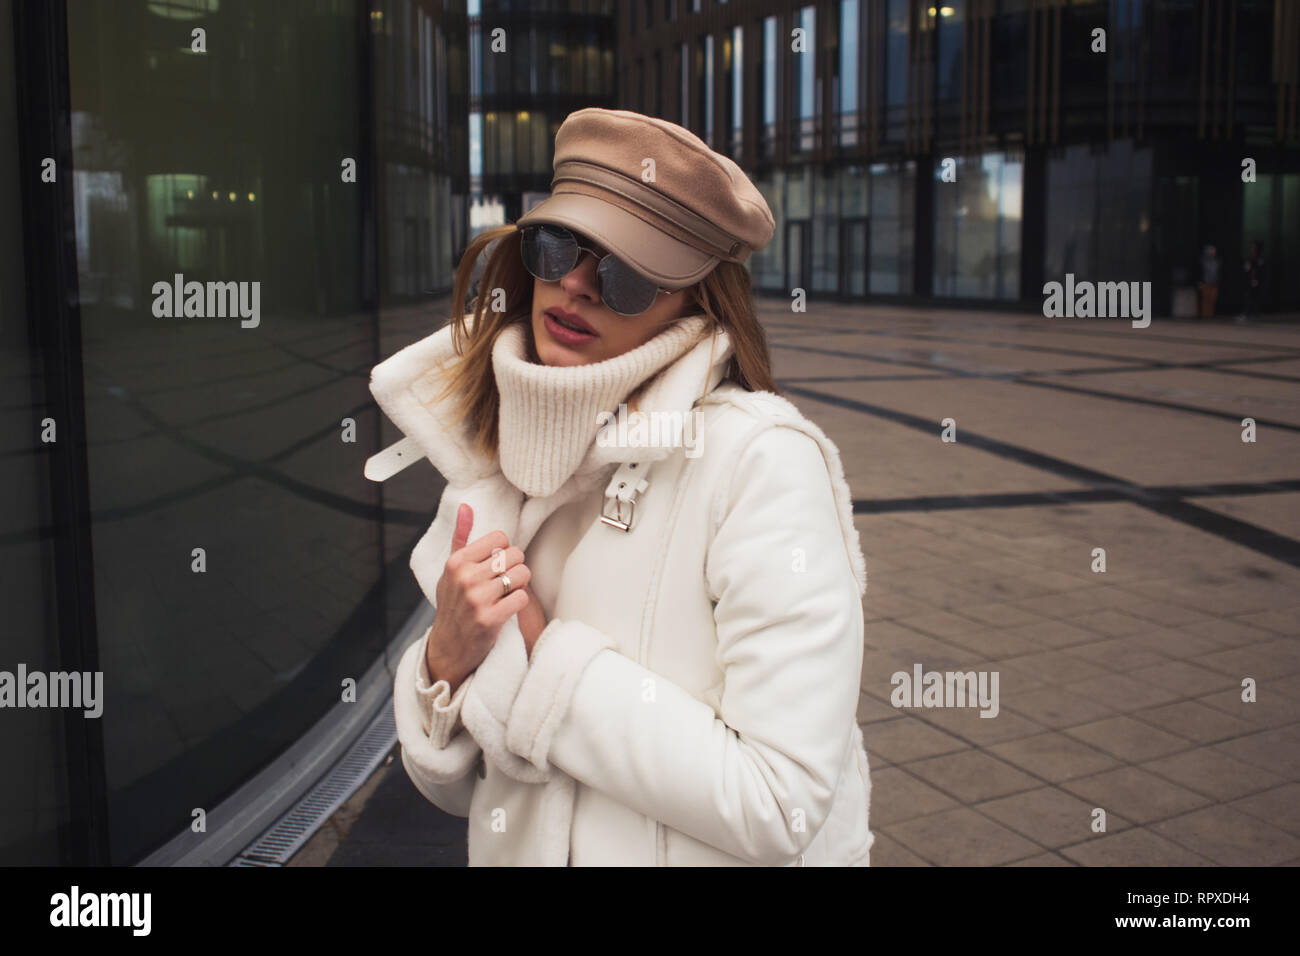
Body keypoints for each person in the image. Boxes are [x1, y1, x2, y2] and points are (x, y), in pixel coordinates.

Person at [366, 108, 873, 866]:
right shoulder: (496, 459)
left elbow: (782, 801)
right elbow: (462, 791)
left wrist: (546, 665)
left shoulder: (759, 462)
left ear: (696, 301)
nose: (575, 283)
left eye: (626, 274)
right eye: (556, 246)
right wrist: (445, 660)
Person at [1236, 240, 1265, 324]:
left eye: (1254, 247)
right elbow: (1248, 268)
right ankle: (1252, 313)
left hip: (1255, 280)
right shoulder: (1253, 257)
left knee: (1250, 296)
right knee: (1251, 296)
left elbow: (1257, 270)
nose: (1252, 249)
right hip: (1251, 280)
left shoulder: (1259, 258)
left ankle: (1248, 314)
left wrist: (1255, 279)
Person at [1198, 243, 1220, 318]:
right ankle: (1205, 316)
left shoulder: (1216, 262)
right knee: (1205, 300)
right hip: (1205, 283)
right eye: (1212, 250)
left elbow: (1217, 273)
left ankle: (1210, 315)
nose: (1213, 252)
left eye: (1214, 251)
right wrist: (1200, 282)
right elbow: (1200, 272)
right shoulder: (1203, 261)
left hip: (1214, 283)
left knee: (1212, 300)